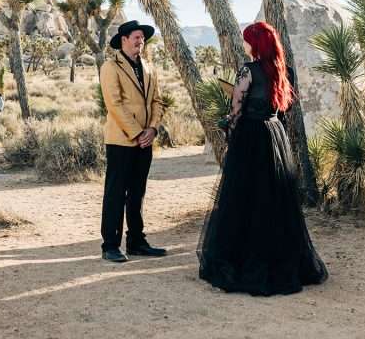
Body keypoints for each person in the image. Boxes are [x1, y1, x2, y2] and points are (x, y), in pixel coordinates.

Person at [198, 21, 328, 296]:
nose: (245, 45)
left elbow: (236, 109)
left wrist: (229, 128)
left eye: (248, 40)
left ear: (256, 44)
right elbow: (283, 109)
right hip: (275, 135)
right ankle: (280, 259)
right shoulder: (284, 71)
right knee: (274, 198)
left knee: (245, 197)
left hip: (251, 137)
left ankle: (243, 259)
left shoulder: (248, 70)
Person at [99, 20, 166, 263]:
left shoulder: (148, 67)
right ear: (124, 40)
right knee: (116, 193)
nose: (141, 41)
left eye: (143, 38)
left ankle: (136, 241)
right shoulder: (110, 67)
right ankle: (110, 245)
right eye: (136, 37)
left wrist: (152, 129)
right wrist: (137, 133)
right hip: (121, 140)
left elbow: (157, 101)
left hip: (145, 140)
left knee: (137, 193)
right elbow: (114, 104)